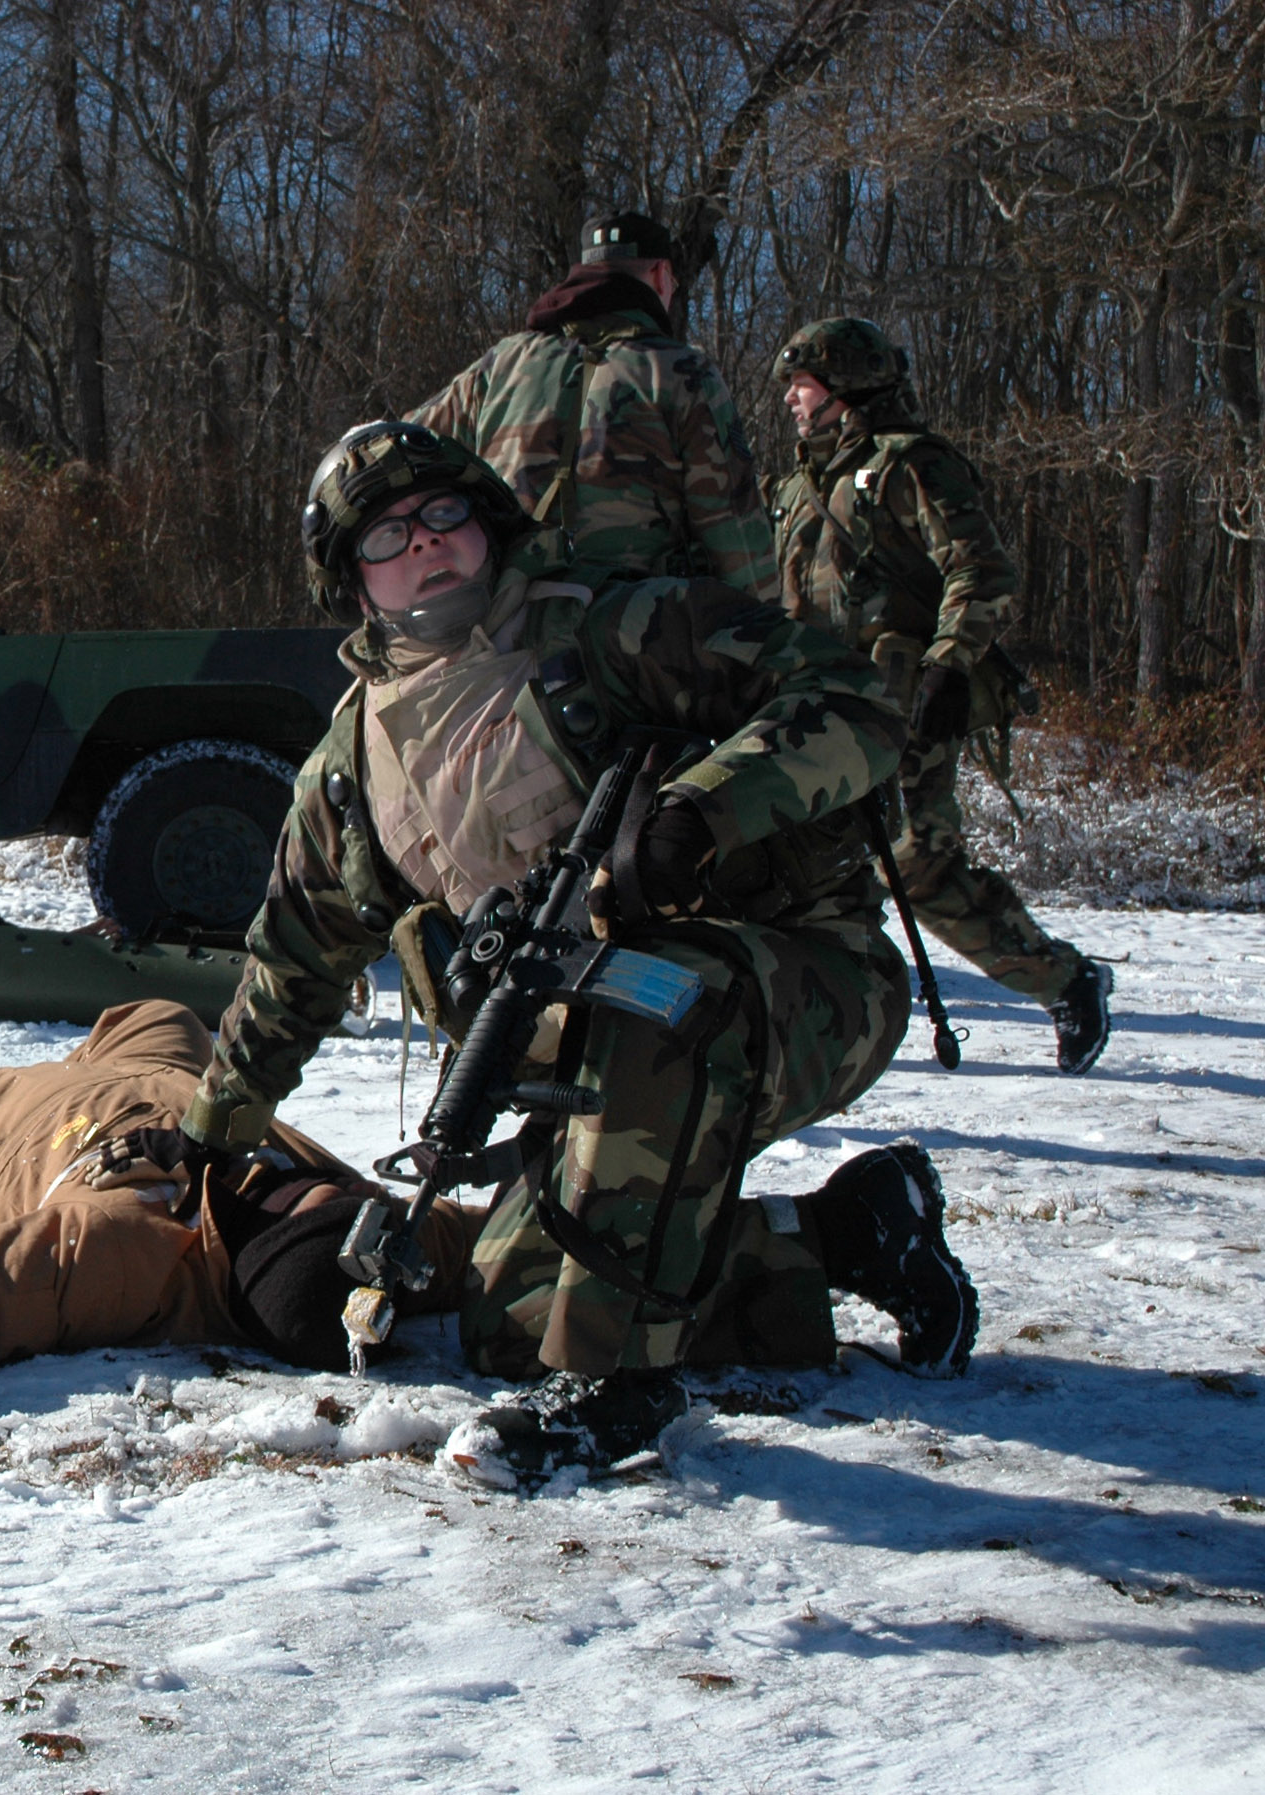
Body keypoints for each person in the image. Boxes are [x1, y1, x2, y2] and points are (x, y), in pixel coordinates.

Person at [143, 418, 971, 1486]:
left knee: (644, 1016)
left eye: (443, 513)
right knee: (517, 1314)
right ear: (354, 584)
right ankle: (849, 1236)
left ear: (486, 522)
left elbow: (857, 701)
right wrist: (215, 1129)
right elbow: (292, 963)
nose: (426, 542)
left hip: (800, 979)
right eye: (388, 536)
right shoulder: (352, 770)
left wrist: (705, 814)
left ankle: (619, 1388)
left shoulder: (614, 629)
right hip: (583, 1057)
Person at [0, 996, 978, 1486]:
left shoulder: (130, 1239)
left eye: (302, 1215)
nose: (303, 1201)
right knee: (150, 1011)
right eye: (310, 1209)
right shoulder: (342, 1216)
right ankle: (829, 1235)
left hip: (15, 1135)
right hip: (154, 1058)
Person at [767, 318, 1113, 1074]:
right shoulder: (796, 485)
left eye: (804, 384)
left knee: (917, 862)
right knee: (794, 865)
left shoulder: (910, 464)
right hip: (810, 706)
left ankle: (1064, 979)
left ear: (847, 385)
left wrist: (951, 665)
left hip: (904, 703)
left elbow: (981, 569)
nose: (791, 399)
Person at [411, 209, 775, 600]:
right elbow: (735, 531)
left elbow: (405, 449)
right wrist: (762, 635)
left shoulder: (501, 365)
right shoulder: (682, 372)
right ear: (660, 275)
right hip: (637, 635)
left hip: (510, 631)